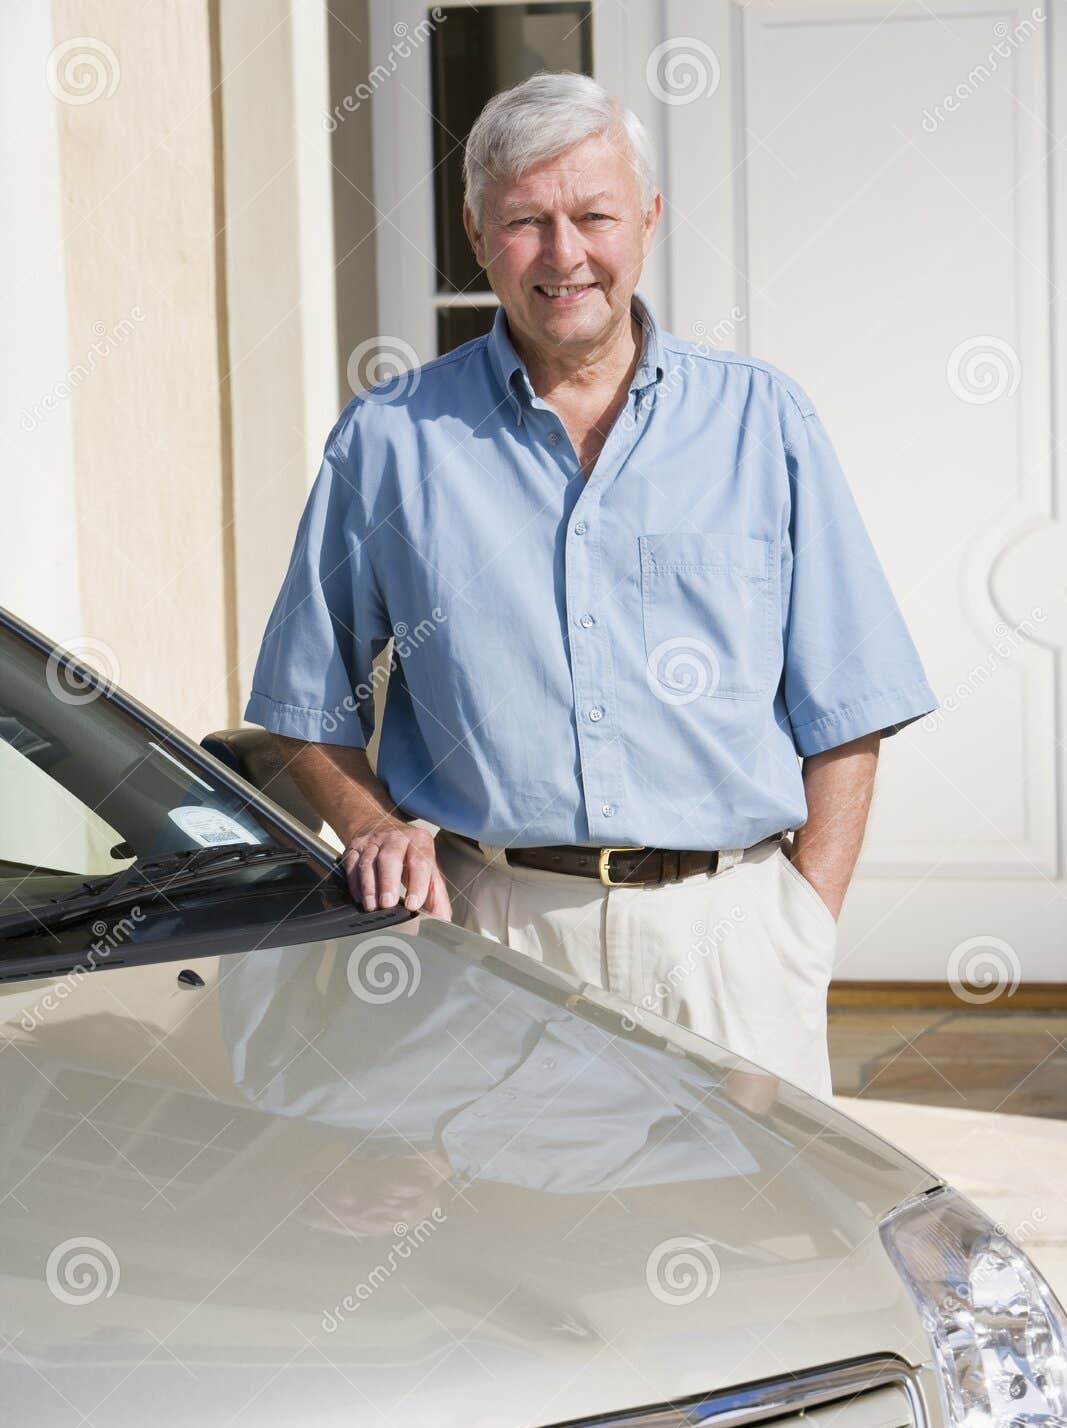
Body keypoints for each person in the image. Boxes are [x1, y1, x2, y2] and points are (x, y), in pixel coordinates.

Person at [243, 72, 937, 1102]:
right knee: (506, 1252)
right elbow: (303, 708)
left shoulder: (763, 426)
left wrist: (799, 922)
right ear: (477, 235)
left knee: (751, 1250)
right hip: (492, 936)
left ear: (647, 221)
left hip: (726, 945)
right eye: (525, 221)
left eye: (592, 215)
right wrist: (374, 824)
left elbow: (848, 705)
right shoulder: (386, 443)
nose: (564, 255)